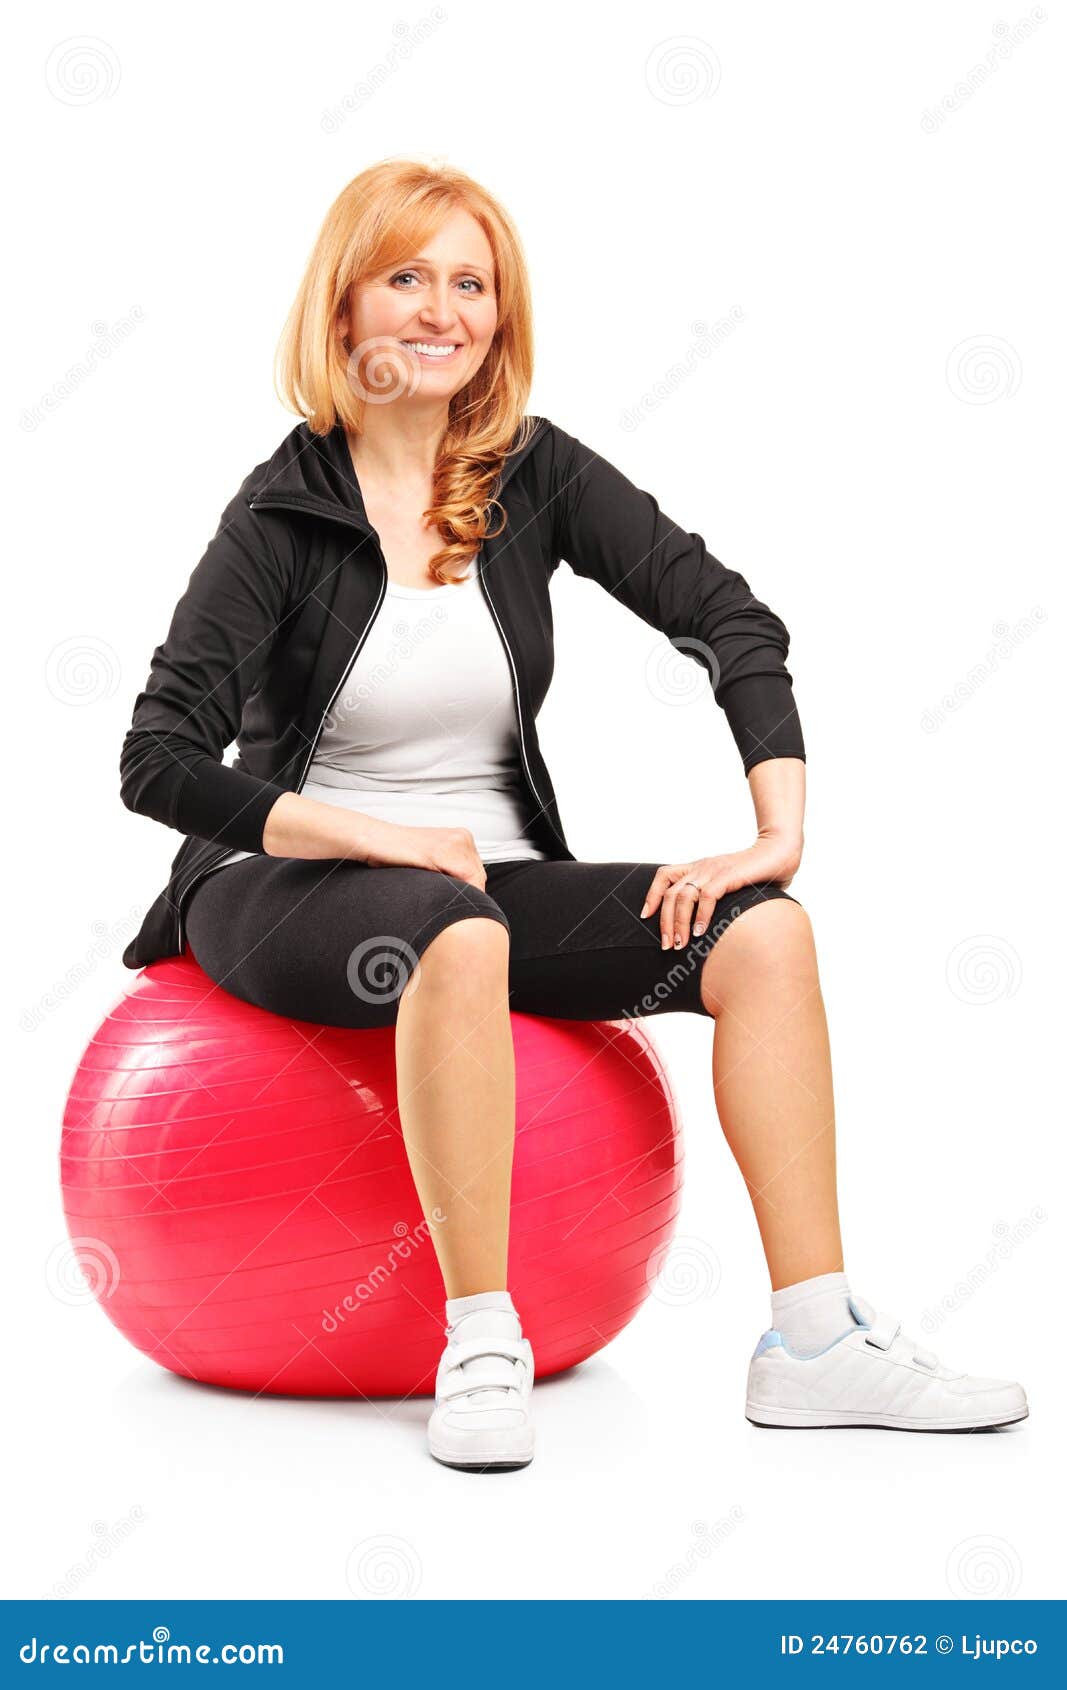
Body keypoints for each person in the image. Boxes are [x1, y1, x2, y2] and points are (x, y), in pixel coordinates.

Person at [119, 159, 1028, 1472]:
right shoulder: (280, 512)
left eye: (472, 281)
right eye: (408, 277)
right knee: (458, 932)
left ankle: (816, 1343)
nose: (444, 309)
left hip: (483, 878)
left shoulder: (526, 474)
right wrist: (379, 835)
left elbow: (728, 615)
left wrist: (774, 829)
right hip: (276, 886)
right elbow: (156, 761)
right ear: (345, 315)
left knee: (766, 936)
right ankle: (483, 1335)